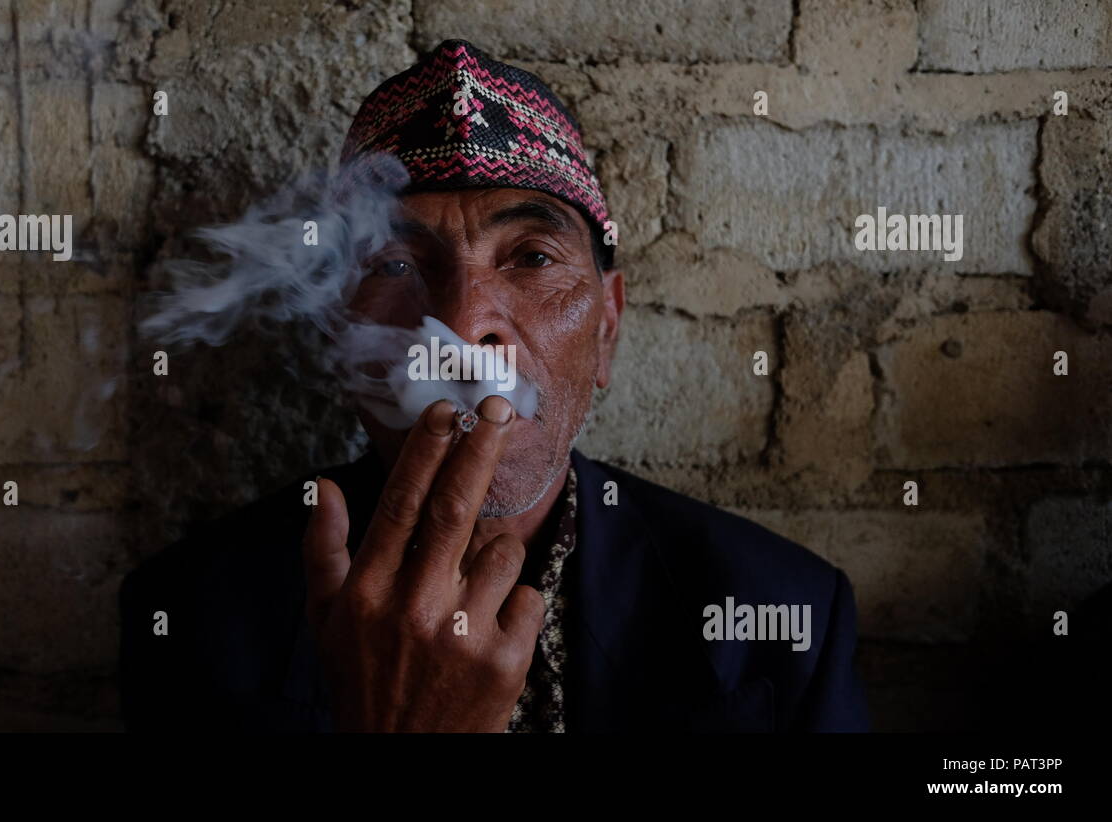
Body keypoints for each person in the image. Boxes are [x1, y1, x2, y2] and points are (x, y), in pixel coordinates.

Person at [120, 39, 870, 732]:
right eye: (394, 265)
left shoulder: (783, 613)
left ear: (607, 326)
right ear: (340, 332)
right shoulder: (189, 616)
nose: (463, 326)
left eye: (533, 258)